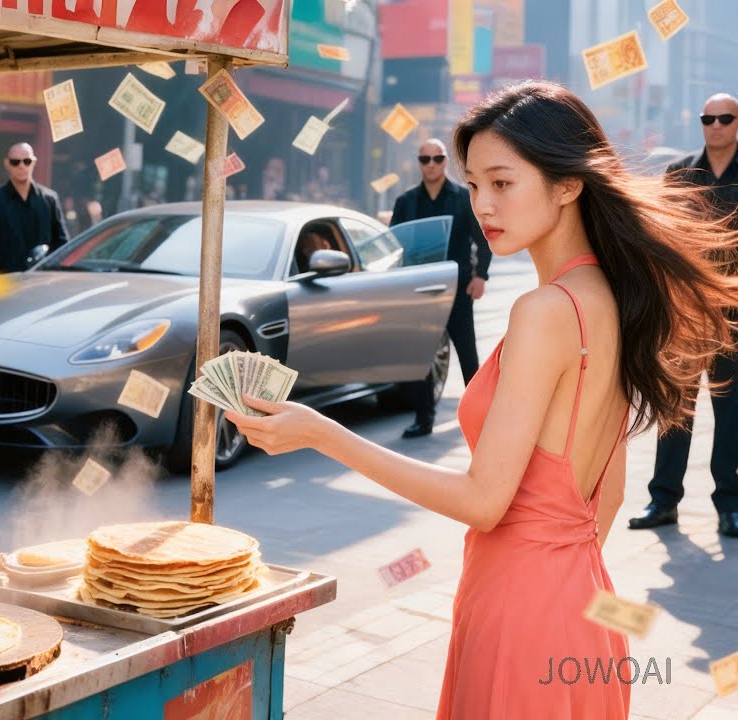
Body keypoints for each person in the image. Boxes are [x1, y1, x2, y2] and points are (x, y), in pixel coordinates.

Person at [225, 81, 737, 718]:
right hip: (584, 612)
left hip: (521, 616)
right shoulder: (607, 296)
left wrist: (320, 432)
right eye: (473, 185)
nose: (482, 205)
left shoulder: (545, 310)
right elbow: (602, 499)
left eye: (502, 183)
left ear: (568, 184)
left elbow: (483, 502)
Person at [629, 92, 738, 537]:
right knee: (675, 408)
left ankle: (730, 504)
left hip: (733, 314)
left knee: (731, 413)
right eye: (707, 118)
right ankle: (663, 499)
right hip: (688, 311)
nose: (715, 125)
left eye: (724, 118)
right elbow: (664, 236)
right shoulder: (681, 173)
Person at [391, 138, 492, 438]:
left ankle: (482, 421)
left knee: (467, 355)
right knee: (422, 356)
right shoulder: (405, 202)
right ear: (419, 163)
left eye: (438, 158)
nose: (432, 164)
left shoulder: (464, 198)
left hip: (458, 290)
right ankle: (423, 419)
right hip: (419, 292)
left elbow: (483, 240)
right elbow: (394, 246)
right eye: (425, 159)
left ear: (446, 161)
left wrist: (480, 276)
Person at [0, 142, 69, 273]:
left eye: (27, 161)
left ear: (34, 162)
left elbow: (62, 242)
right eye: (15, 162)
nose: (21, 166)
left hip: (43, 278)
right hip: (5, 279)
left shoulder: (50, 199)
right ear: (7, 164)